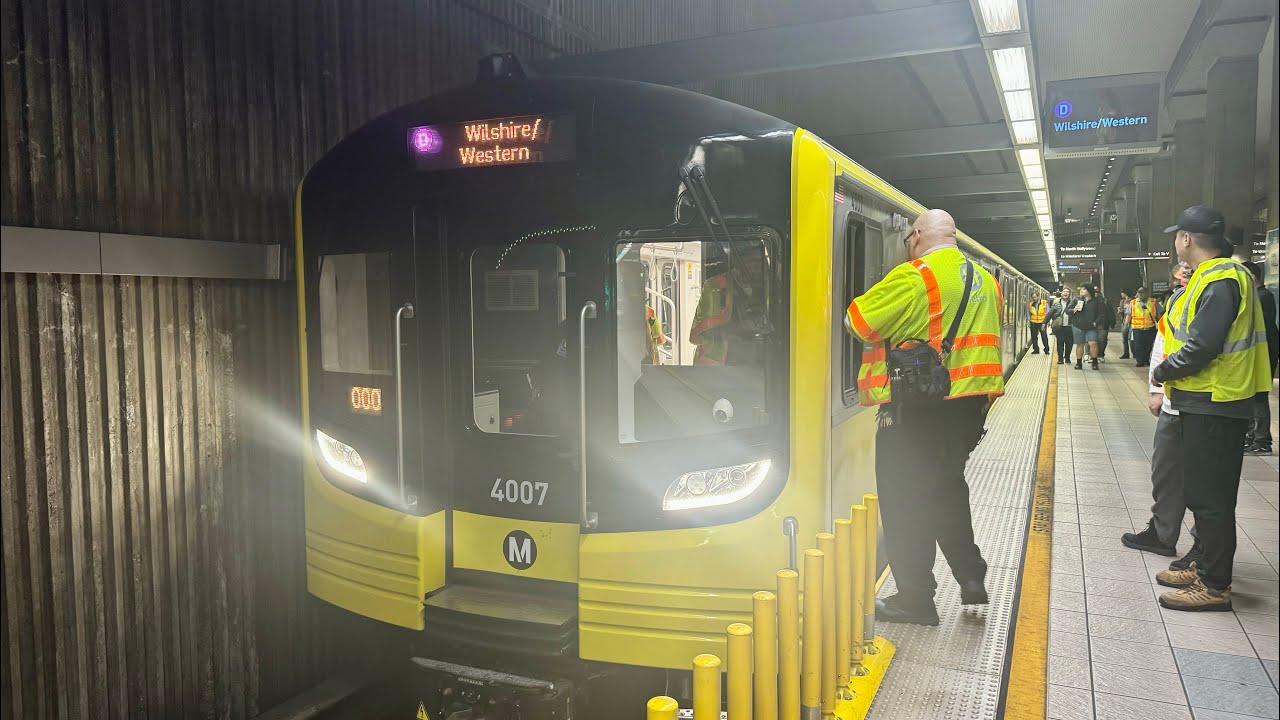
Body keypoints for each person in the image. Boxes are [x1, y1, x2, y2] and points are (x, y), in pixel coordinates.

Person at [843, 209, 1004, 625]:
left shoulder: (914, 276)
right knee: (947, 488)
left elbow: (857, 321)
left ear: (915, 236)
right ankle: (971, 575)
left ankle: (916, 599)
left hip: (918, 410)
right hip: (969, 409)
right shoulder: (987, 281)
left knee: (905, 501)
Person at [1149, 206, 1271, 612]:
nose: (1176, 241)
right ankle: (1202, 566)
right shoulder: (1216, 276)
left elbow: (1202, 346)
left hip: (1217, 399)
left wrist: (1163, 371)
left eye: (1177, 235)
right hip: (1210, 400)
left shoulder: (1220, 280)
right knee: (1204, 492)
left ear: (1187, 239)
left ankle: (1214, 585)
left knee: (1212, 498)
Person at [1122, 279, 1190, 558]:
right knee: (1165, 473)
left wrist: (1161, 376)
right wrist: (1157, 388)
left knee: (1201, 482)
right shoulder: (1178, 298)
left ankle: (1205, 551)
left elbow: (1200, 347)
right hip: (1176, 400)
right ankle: (1162, 534)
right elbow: (1163, 343)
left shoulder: (1220, 287)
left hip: (1203, 402)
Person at [1245, 262, 1278, 455]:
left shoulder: (1263, 297)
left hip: (1263, 355)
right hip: (1257, 354)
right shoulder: (1257, 296)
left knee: (1259, 398)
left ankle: (1262, 440)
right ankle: (1252, 437)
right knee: (1252, 397)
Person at [1066, 285, 1103, 370]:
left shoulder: (1097, 301)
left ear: (1089, 291)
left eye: (1084, 289)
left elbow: (1101, 314)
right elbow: (1067, 310)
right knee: (1080, 344)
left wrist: (1095, 323)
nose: (1081, 290)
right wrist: (1073, 310)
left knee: (1093, 343)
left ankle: (1094, 362)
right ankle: (1079, 363)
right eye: (1081, 289)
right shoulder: (1076, 300)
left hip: (1091, 327)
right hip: (1078, 326)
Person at [1129, 287, 1160, 366]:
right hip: (1137, 328)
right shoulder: (1133, 302)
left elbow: (1159, 314)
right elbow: (1129, 314)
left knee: (1148, 345)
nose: (1140, 294)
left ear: (1147, 293)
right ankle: (1140, 361)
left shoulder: (1153, 301)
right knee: (1138, 345)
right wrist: (1126, 325)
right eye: (1139, 292)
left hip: (1150, 327)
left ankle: (1146, 360)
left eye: (1142, 292)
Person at [1049, 288, 1074, 364]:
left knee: (1069, 344)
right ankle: (1060, 359)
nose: (1065, 293)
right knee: (1060, 343)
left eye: (1067, 292)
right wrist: (1044, 323)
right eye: (1064, 292)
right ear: (1061, 293)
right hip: (1059, 327)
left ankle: (1067, 357)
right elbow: (1050, 313)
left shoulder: (1073, 304)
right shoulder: (1056, 304)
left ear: (1070, 294)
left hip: (1070, 327)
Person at [1096, 285, 1116, 361]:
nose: (1096, 294)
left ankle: (1101, 354)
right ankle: (1093, 355)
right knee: (1092, 340)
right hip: (1092, 324)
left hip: (1103, 324)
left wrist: (1112, 322)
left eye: (1097, 292)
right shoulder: (1089, 301)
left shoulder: (1105, 301)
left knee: (1102, 340)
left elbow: (1110, 312)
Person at [1119, 291, 1132, 359]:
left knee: (1131, 339)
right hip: (1124, 321)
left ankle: (1134, 352)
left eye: (1122, 293)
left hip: (1132, 322)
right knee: (1124, 339)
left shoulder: (1133, 301)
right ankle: (1126, 353)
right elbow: (1121, 310)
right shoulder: (1122, 301)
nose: (1121, 294)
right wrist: (1120, 310)